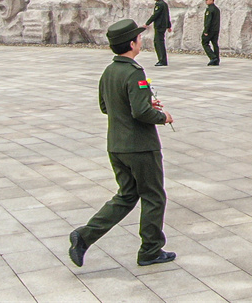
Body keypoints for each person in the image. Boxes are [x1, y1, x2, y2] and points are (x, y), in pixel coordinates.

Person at [69, 19, 175, 268]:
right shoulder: (134, 71)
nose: (141, 41)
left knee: (127, 195)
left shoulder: (109, 71)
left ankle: (85, 236)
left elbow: (106, 107)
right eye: (138, 37)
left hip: (116, 144)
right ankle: (150, 249)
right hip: (140, 146)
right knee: (154, 196)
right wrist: (162, 116)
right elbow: (140, 113)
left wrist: (142, 105)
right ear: (131, 43)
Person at [145, 0, 171, 67]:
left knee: (159, 43)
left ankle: (162, 60)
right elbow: (167, 16)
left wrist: (147, 23)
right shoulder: (164, 4)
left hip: (159, 26)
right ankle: (162, 60)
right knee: (159, 42)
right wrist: (168, 26)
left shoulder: (159, 4)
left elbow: (155, 15)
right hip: (162, 26)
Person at [202, 0, 221, 66]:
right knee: (215, 44)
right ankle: (217, 60)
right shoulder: (216, 9)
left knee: (204, 42)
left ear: (211, 0)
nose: (206, 2)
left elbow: (208, 21)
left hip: (210, 30)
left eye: (207, 0)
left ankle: (213, 57)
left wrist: (206, 31)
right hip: (216, 30)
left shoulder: (210, 9)